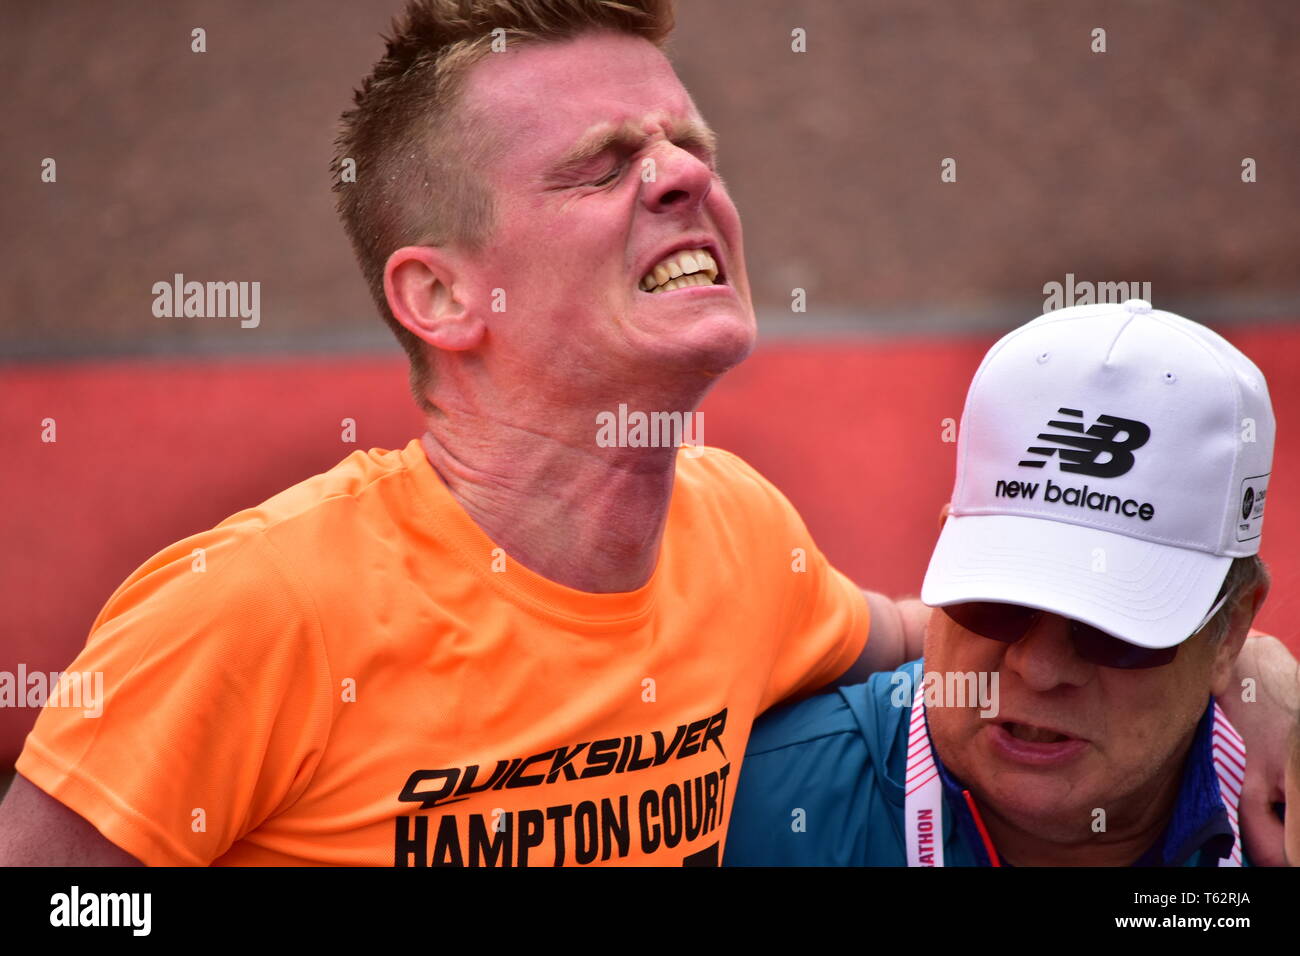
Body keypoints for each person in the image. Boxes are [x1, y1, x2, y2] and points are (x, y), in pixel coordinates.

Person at [0, 4, 1291, 867]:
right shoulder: (260, 605)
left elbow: (970, 632)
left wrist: (1253, 671)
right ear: (441, 295)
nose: (684, 177)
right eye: (603, 163)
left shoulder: (736, 530)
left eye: (691, 145)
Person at [724, 300, 1289, 866]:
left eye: (1112, 628)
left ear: (1231, 629)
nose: (1040, 669)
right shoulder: (738, 808)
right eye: (999, 602)